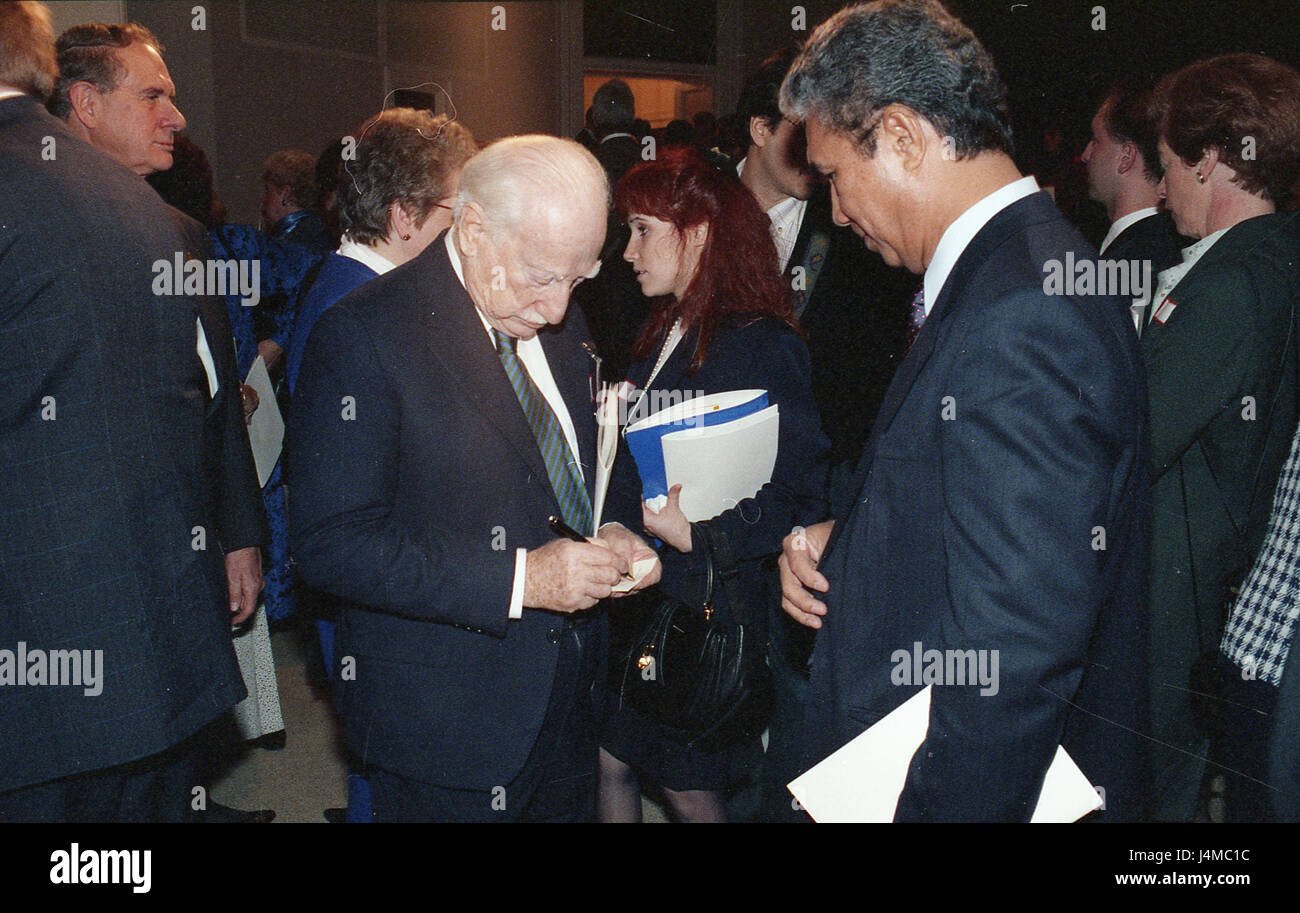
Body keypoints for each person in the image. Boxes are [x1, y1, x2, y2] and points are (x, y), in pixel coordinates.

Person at [777, 0, 1151, 822]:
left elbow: (1012, 660)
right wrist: (867, 532)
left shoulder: (1022, 315)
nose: (835, 214)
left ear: (904, 136)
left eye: (836, 176)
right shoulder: (1024, 270)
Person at [288, 135, 661, 822]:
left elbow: (593, 460)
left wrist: (617, 526)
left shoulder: (560, 313)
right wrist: (523, 579)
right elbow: (329, 543)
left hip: (568, 699)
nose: (556, 308)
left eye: (578, 279)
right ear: (473, 226)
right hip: (447, 726)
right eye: (543, 276)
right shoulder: (364, 335)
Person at [0, 1, 253, 821]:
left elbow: (210, 409)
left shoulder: (170, 224)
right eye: (154, 96)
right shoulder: (145, 214)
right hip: (145, 645)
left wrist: (236, 532)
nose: (176, 117)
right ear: (80, 101)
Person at [596, 148, 830, 823]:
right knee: (613, 755)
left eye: (643, 229)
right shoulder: (664, 327)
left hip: (711, 604)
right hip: (649, 594)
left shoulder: (761, 342)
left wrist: (697, 533)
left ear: (696, 230)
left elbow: (801, 498)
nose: (627, 251)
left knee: (683, 783)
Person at [734, 45, 914, 821]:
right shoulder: (707, 212)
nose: (814, 162)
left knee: (809, 666)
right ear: (757, 128)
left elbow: (873, 352)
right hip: (727, 479)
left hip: (828, 468)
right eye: (795, 135)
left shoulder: (844, 224)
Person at [286, 106, 476, 823]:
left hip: (384, 577)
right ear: (403, 215)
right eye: (456, 213)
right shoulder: (359, 308)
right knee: (388, 768)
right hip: (379, 586)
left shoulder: (354, 287)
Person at [1141, 52, 1300, 821]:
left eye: (1168, 164)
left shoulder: (1231, 281)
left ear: (1210, 161)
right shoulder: (1280, 257)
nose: (1161, 187)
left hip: (1177, 607)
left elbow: (1133, 439)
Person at [1081, 80, 1187, 331]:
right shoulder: (1164, 246)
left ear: (1126, 157)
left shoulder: (1137, 257)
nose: (1086, 154)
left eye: (1096, 140)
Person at [262, 148, 334, 255]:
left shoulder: (287, 245)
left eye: (268, 191)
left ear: (285, 194)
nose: (264, 199)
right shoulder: (322, 230)